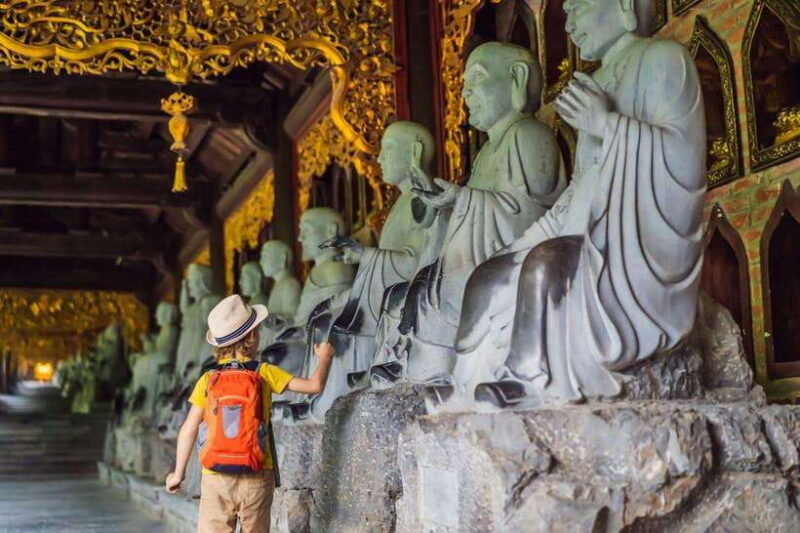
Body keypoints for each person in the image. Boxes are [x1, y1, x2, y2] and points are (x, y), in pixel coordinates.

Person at [165, 294, 335, 533]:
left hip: (215, 476)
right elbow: (314, 386)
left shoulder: (208, 380)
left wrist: (177, 473)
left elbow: (189, 428)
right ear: (253, 336)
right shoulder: (264, 373)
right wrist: (324, 358)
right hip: (256, 473)